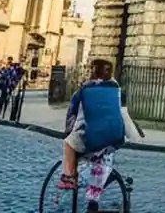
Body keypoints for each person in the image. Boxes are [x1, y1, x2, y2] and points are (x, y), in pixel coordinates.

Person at [59, 59, 139, 193]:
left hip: (93, 136)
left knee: (69, 143)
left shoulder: (85, 89)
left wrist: (68, 132)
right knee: (102, 156)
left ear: (93, 71)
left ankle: (68, 177)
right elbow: (123, 111)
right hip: (116, 135)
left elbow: (72, 112)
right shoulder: (116, 88)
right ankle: (102, 184)